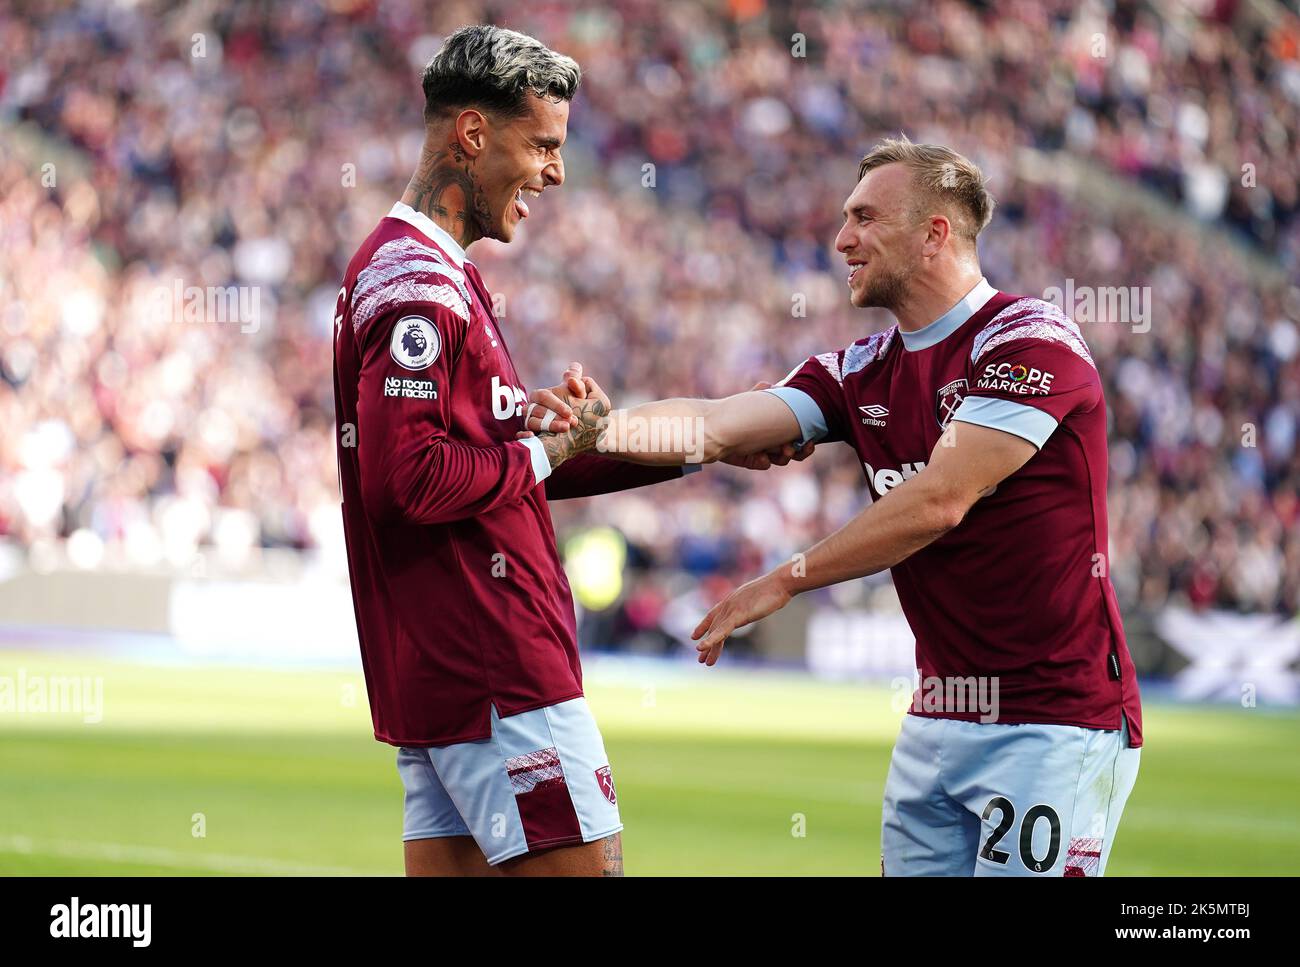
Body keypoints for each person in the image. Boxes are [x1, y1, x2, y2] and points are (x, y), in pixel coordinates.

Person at [527, 137, 1143, 877]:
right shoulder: (859, 370)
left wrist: (787, 578)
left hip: (1054, 722)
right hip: (937, 717)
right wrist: (610, 426)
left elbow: (939, 499)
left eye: (864, 218)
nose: (841, 239)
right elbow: (719, 424)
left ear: (934, 233)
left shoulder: (1028, 342)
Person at [334, 25, 726, 877]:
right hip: (499, 671)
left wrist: (701, 445)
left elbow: (490, 467)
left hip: (449, 679)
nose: (555, 172)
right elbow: (405, 482)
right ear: (473, 134)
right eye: (543, 145)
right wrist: (546, 454)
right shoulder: (420, 285)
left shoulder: (420, 271)